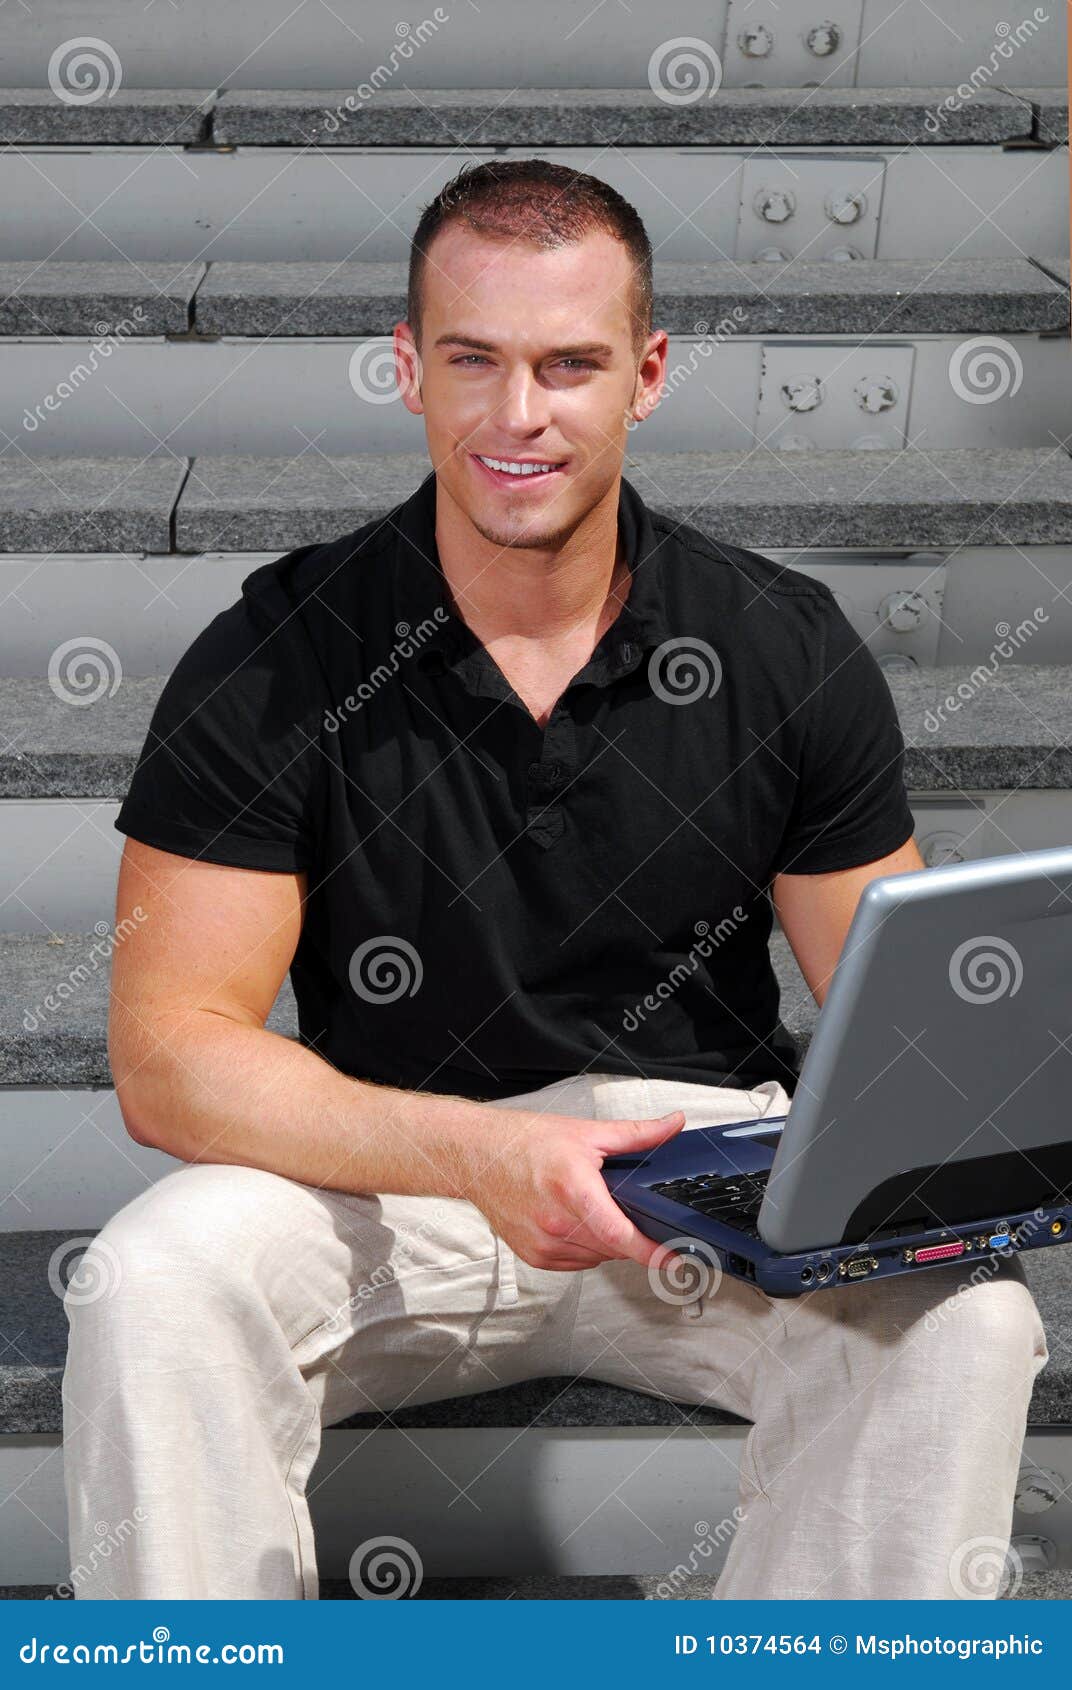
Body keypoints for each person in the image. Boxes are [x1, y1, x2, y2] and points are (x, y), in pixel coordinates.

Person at [61, 158, 1048, 1601]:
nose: (518, 415)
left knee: (968, 1316)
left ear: (645, 376)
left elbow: (901, 1028)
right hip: (391, 1173)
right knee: (152, 1280)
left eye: (570, 365)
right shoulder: (278, 654)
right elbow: (168, 1062)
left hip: (697, 1175)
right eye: (474, 359)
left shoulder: (779, 644)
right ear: (408, 368)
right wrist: (481, 1155)